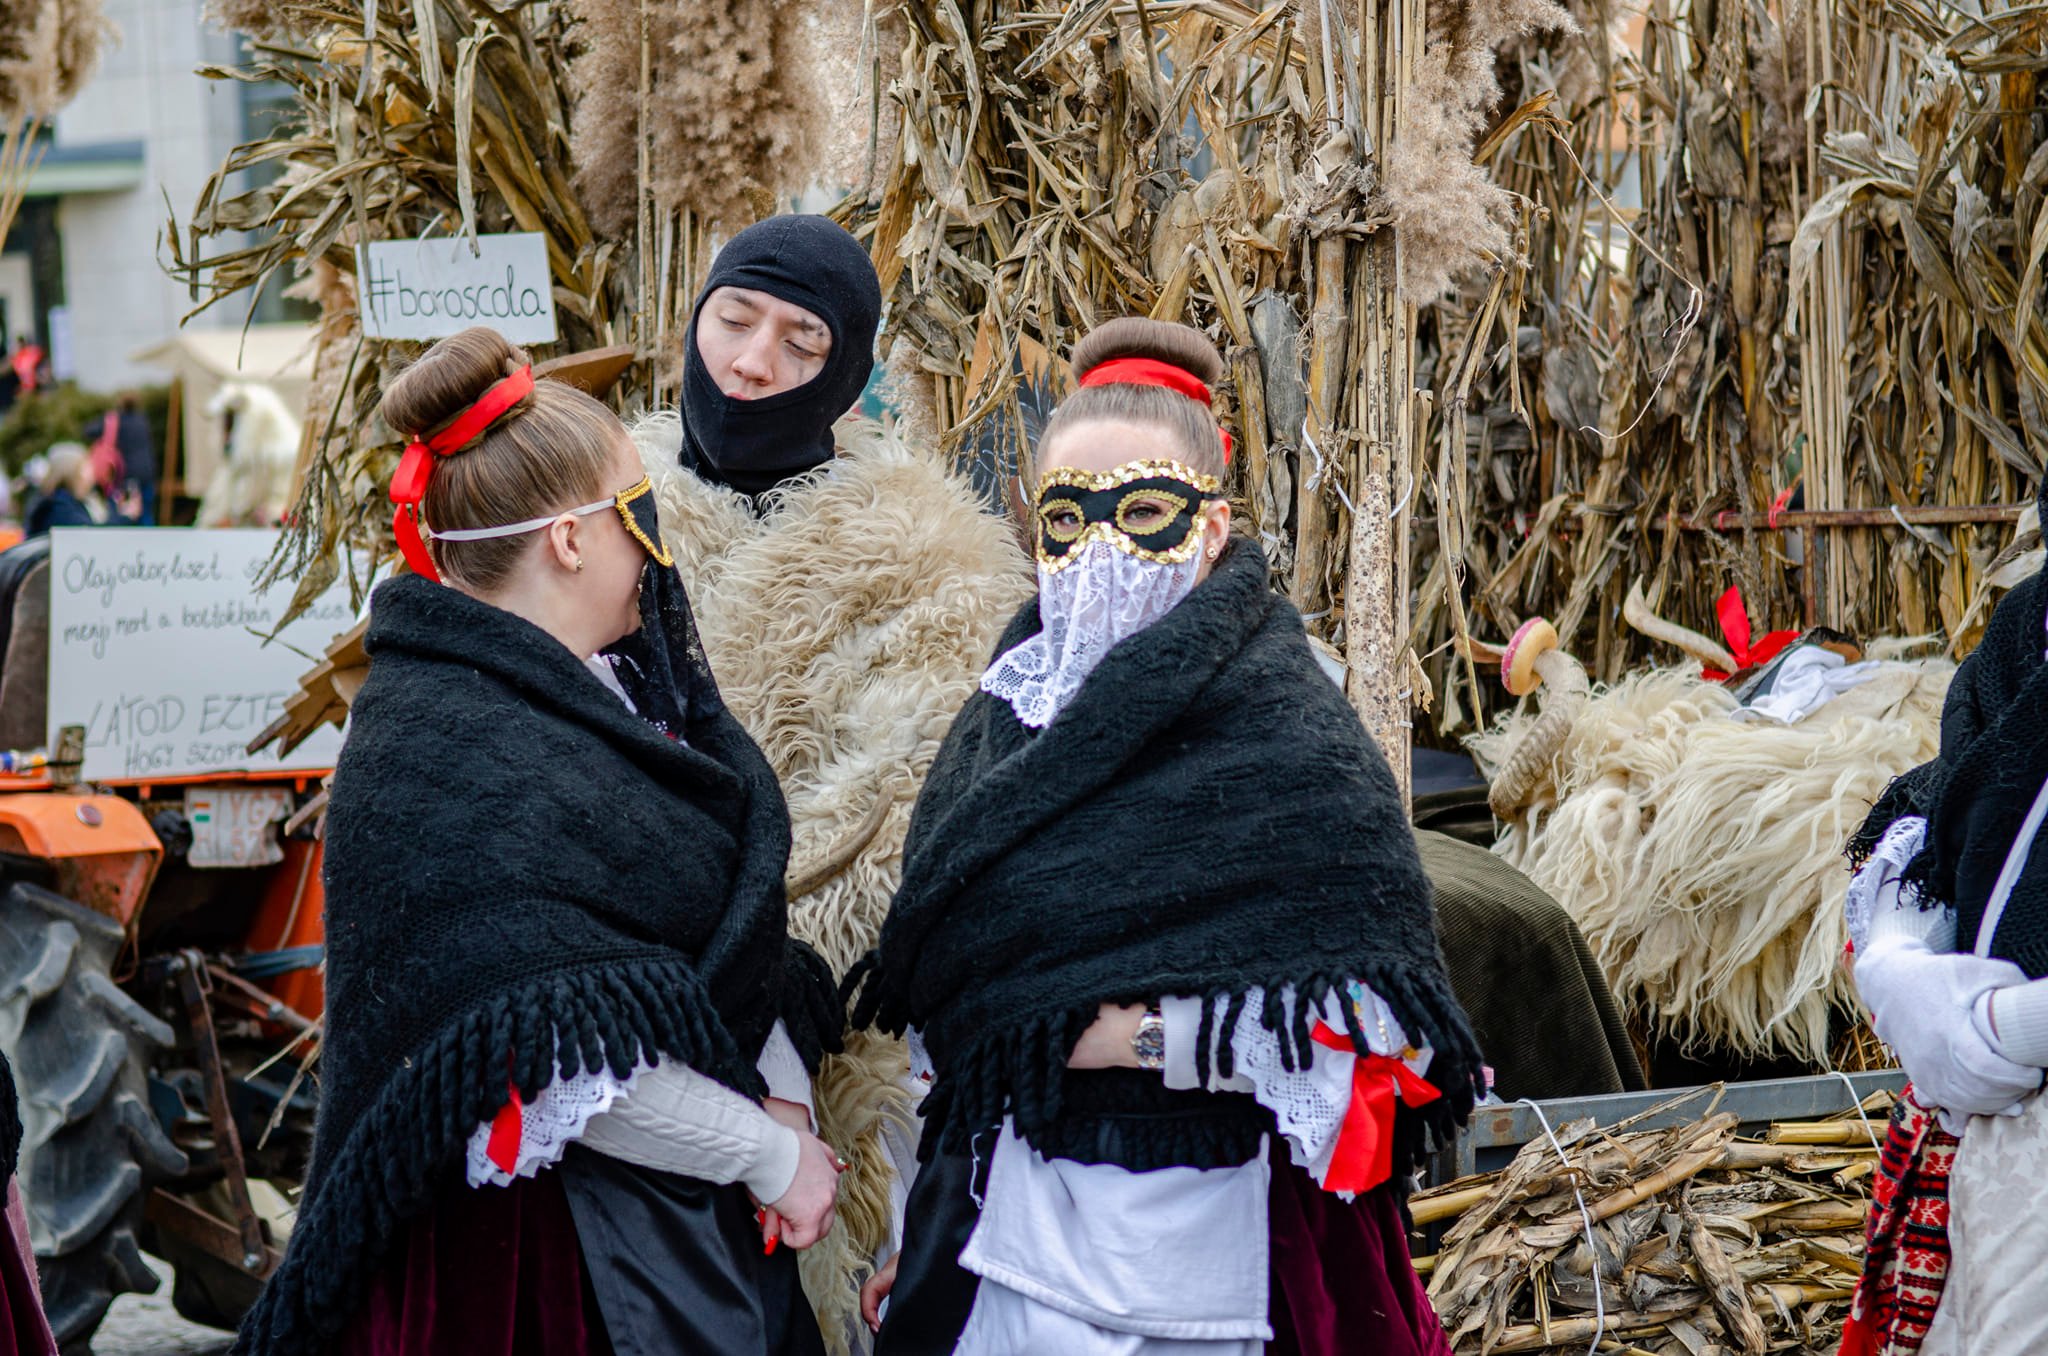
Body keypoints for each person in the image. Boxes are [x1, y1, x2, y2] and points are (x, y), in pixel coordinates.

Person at [847, 318, 1482, 1356]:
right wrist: (921, 1223)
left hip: (1221, 1248)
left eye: (1140, 511)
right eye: (1065, 518)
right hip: (1008, 1247)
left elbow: (1380, 1031)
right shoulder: (1001, 720)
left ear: (1212, 527)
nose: (1098, 551)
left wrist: (1137, 1039)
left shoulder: (1289, 732)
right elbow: (948, 1022)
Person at [234, 327, 843, 1356]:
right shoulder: (437, 746)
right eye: (635, 513)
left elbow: (713, 934)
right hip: (533, 1276)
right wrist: (771, 1157)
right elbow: (551, 1061)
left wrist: (780, 1096)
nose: (653, 549)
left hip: (672, 1242)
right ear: (568, 538)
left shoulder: (608, 695)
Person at [634, 214, 1034, 1340]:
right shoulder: (613, 509)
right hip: (624, 1001)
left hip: (828, 1026)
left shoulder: (925, 557)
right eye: (734, 320)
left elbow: (903, 792)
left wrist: (771, 968)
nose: (753, 362)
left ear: (847, 372)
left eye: (801, 342)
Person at [1842, 469, 2048, 1356]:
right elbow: (1953, 802)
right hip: (2006, 1157)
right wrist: (1898, 967)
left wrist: (2008, 1027)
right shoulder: (2024, 631)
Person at [24, 443, 133, 537]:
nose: (91, 475)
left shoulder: (67, 502)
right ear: (71, 473)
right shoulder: (58, 507)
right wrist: (124, 517)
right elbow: (90, 537)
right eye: (85, 468)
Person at [84, 395, 158, 525]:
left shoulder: (115, 420)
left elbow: (88, 431)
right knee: (145, 511)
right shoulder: (142, 420)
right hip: (147, 471)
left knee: (121, 510)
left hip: (125, 472)